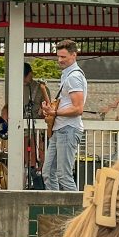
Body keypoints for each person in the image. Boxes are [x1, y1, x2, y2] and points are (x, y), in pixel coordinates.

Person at [40, 39, 87, 191]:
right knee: (48, 173)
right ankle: (56, 210)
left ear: (74, 55)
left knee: (63, 175)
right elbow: (67, 103)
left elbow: (78, 108)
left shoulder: (74, 76)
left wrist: (55, 112)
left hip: (68, 128)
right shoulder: (67, 75)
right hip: (60, 128)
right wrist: (51, 108)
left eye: (63, 57)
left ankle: (76, 213)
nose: (60, 60)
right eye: (58, 56)